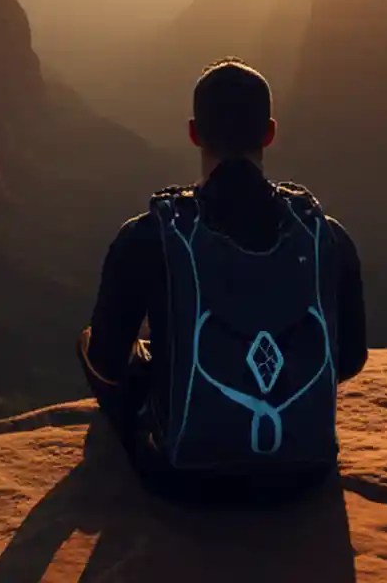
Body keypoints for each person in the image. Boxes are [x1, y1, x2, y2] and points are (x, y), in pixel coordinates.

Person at [76, 57, 367, 504]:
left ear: (194, 132)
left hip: (183, 481)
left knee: (91, 344)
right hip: (304, 477)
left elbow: (107, 365)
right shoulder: (329, 236)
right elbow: (349, 361)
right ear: (269, 133)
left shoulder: (149, 236)